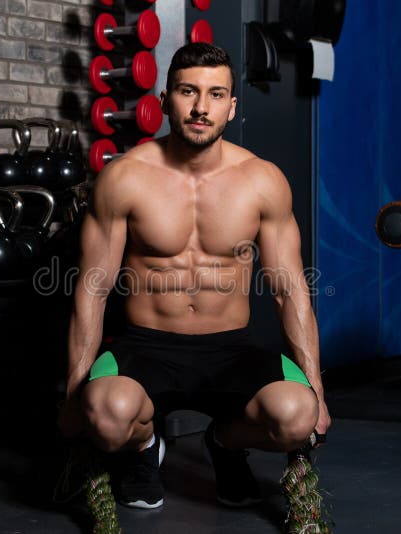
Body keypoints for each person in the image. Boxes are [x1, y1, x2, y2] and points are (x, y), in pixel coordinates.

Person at [61, 42, 331, 510]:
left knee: (298, 418)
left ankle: (225, 444)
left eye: (215, 94)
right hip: (145, 345)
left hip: (230, 349)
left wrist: (318, 391)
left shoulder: (262, 181)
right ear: (165, 98)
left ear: (231, 106)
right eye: (189, 91)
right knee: (105, 417)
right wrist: (71, 396)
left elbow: (290, 291)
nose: (201, 107)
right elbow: (93, 289)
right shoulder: (125, 178)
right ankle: (144, 450)